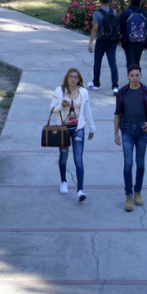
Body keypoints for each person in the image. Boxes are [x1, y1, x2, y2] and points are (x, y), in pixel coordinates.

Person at [112, 66, 147, 212]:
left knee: (140, 163)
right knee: (128, 163)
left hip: (142, 130)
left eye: (137, 75)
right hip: (127, 131)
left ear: (141, 75)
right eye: (132, 75)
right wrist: (116, 133)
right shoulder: (122, 92)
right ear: (128, 76)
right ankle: (128, 194)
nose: (135, 78)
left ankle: (138, 191)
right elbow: (117, 113)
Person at [49, 68, 94, 202]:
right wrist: (61, 106)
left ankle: (80, 190)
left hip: (78, 129)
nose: (73, 79)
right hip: (63, 129)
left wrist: (92, 127)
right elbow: (51, 110)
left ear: (79, 79)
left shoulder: (83, 92)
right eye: (71, 77)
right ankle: (63, 181)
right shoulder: (59, 91)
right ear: (67, 78)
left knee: (78, 159)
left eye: (75, 77)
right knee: (63, 156)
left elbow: (87, 111)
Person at [88, 0, 121, 91]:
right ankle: (115, 86)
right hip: (112, 40)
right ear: (109, 0)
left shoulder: (97, 13)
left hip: (101, 40)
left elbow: (95, 29)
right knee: (112, 63)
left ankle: (96, 83)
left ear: (100, 0)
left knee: (97, 63)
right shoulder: (113, 12)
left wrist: (91, 43)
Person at [120, 0, 147, 73]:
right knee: (137, 61)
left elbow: (121, 26)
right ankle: (137, 76)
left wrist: (122, 39)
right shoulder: (143, 13)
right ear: (139, 3)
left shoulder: (126, 13)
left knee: (130, 62)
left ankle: (131, 77)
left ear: (131, 2)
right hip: (140, 41)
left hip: (129, 42)